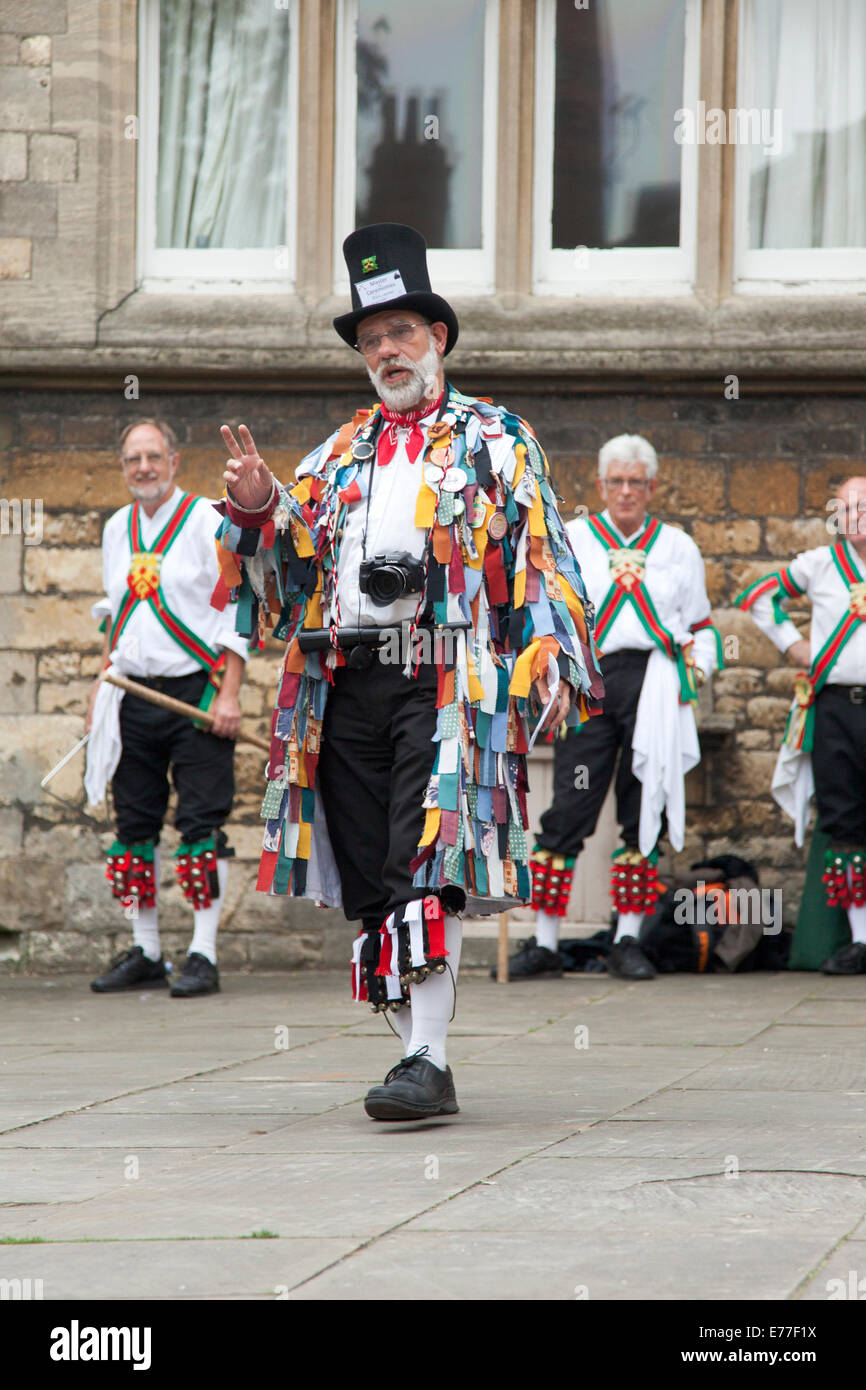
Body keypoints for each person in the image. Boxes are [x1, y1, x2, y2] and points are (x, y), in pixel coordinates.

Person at [214, 222, 602, 1120]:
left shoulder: (498, 439)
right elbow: (289, 566)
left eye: (401, 334)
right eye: (371, 339)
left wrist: (542, 651)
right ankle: (414, 1056)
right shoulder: (336, 454)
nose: (386, 351)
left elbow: (540, 558)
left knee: (426, 852)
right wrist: (258, 504)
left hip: (445, 674)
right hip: (343, 676)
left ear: (440, 340)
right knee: (368, 869)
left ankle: (427, 1057)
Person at [506, 434, 721, 982]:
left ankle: (627, 939)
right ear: (601, 486)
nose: (626, 491)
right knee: (569, 812)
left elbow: (701, 627)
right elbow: (548, 615)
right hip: (591, 684)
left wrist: (697, 669)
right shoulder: (574, 537)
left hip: (653, 685)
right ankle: (546, 942)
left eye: (636, 482)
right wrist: (549, 677)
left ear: (651, 487)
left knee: (640, 808)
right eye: (616, 481)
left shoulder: (678, 547)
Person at [85, 418, 249, 996]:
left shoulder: (206, 519)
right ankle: (147, 949)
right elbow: (114, 617)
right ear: (124, 466)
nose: (143, 467)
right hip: (131, 693)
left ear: (174, 461)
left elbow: (235, 610)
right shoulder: (115, 528)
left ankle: (202, 952)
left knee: (201, 824)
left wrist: (229, 693)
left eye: (153, 456)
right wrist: (98, 696)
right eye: (133, 458)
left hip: (196, 693)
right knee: (133, 827)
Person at [736, 476, 866, 975]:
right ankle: (858, 939)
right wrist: (795, 648)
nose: (854, 516)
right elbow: (756, 597)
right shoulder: (820, 565)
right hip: (834, 707)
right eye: (847, 508)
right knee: (845, 820)